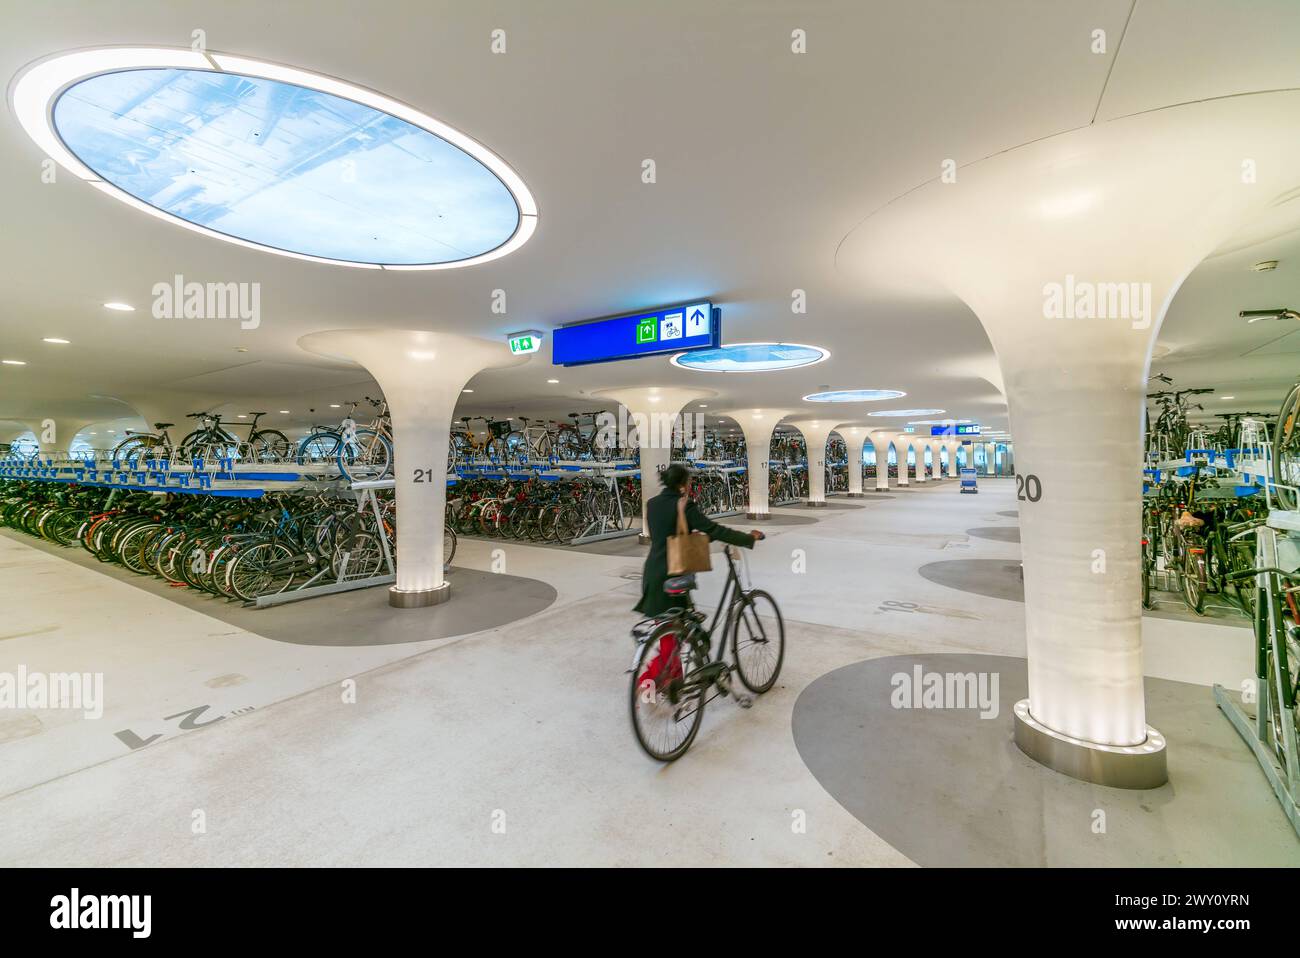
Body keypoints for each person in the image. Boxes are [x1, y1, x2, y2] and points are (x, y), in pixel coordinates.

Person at [634, 463, 763, 685]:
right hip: (674, 573)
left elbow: (669, 534)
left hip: (653, 572)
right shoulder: (684, 505)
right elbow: (713, 529)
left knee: (673, 628)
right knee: (672, 636)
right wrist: (748, 538)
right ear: (683, 485)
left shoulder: (652, 504)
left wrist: (701, 537)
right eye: (689, 482)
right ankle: (651, 682)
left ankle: (670, 680)